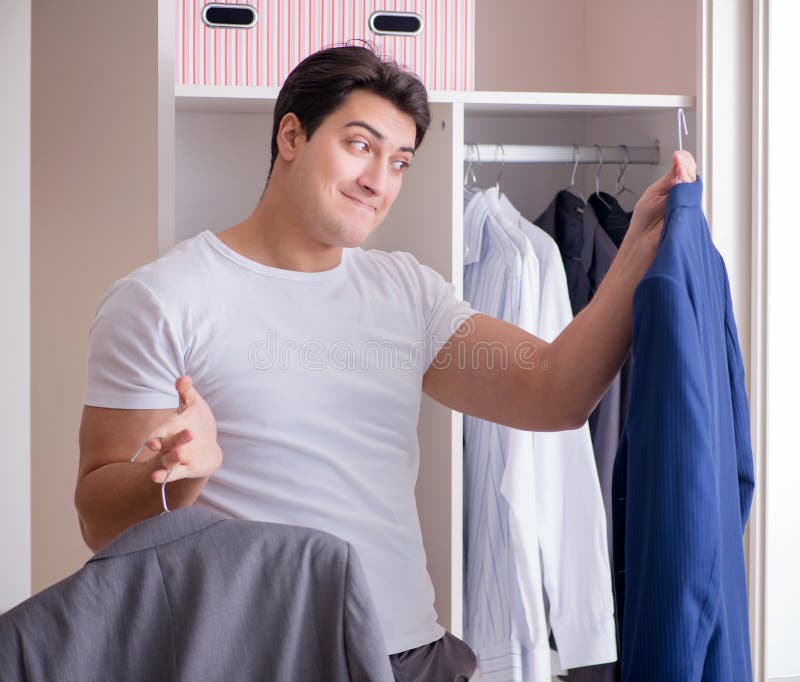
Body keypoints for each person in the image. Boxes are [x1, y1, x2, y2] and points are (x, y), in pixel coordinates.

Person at [75, 44, 697, 680]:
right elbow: (99, 519)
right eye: (359, 145)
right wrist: (180, 471)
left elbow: (554, 392)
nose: (380, 180)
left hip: (411, 656)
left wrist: (636, 254)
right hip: (262, 660)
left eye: (399, 162)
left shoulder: (407, 293)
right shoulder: (161, 300)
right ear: (291, 135)